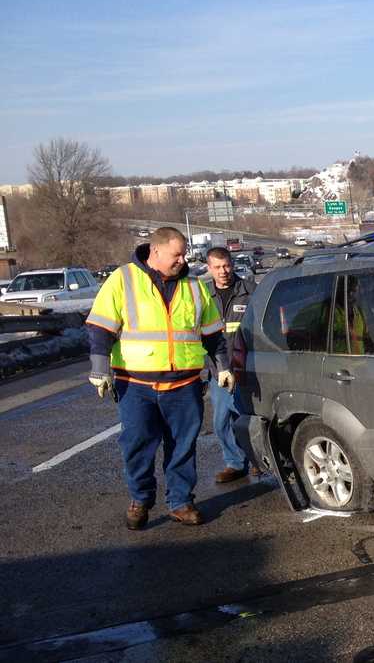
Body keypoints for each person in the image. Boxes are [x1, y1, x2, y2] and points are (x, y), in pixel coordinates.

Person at [85, 227, 231, 530]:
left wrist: (223, 367)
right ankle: (141, 499)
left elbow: (213, 335)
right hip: (136, 386)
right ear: (156, 250)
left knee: (182, 446)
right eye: (176, 254)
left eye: (184, 253)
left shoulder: (195, 286)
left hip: (184, 385)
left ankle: (180, 502)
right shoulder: (123, 280)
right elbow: (100, 327)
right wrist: (100, 368)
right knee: (137, 445)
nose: (183, 259)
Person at [203, 246, 259, 483]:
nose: (223, 271)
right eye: (217, 267)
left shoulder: (250, 290)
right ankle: (235, 463)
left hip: (246, 366)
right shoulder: (204, 294)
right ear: (209, 268)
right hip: (218, 369)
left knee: (250, 417)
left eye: (226, 265)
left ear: (232, 265)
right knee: (222, 420)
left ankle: (257, 460)